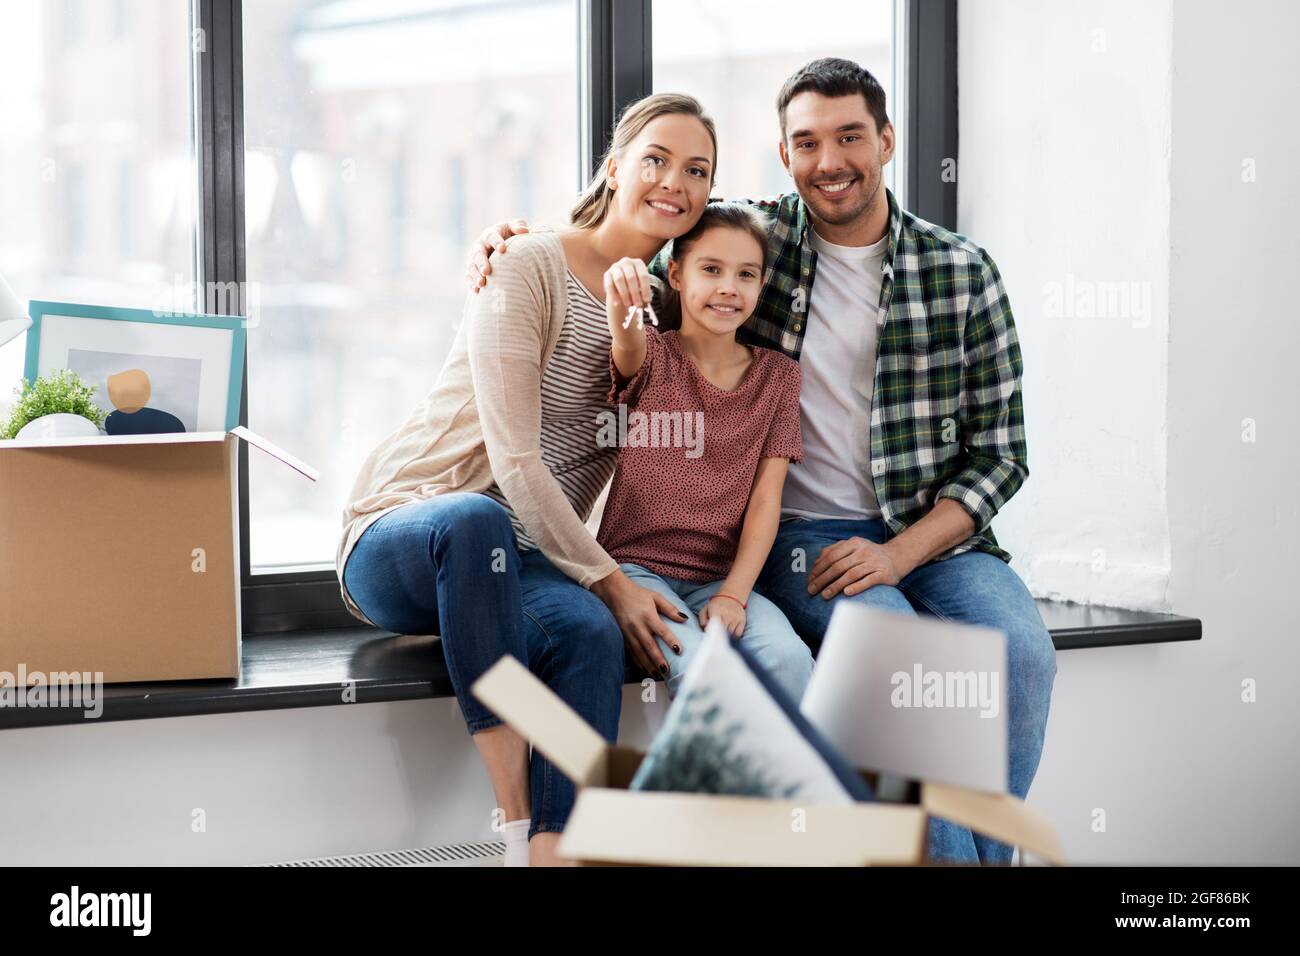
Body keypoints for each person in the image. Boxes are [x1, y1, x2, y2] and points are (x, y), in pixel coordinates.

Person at [467, 58, 1058, 866]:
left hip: (934, 536)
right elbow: (652, 224)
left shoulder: (962, 271)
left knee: (1021, 654)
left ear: (887, 141)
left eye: (851, 137)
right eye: (807, 143)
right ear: (784, 156)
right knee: (902, 671)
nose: (830, 161)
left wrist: (898, 552)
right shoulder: (762, 240)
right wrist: (512, 240)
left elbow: (1000, 455)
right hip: (803, 535)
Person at [337, 93, 718, 866]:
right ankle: (513, 822)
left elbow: (775, 225)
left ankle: (553, 850)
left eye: (697, 171)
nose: (673, 181)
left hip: (524, 559)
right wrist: (612, 580)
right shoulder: (526, 263)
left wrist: (603, 597)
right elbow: (513, 461)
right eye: (655, 159)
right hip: (406, 533)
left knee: (585, 633)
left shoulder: (670, 306)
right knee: (478, 522)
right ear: (614, 169)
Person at [596, 202, 812, 703]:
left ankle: (768, 782)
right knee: (699, 671)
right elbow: (624, 338)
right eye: (711, 269)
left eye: (745, 275)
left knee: (790, 661)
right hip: (636, 568)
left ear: (762, 286)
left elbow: (765, 501)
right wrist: (624, 283)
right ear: (675, 273)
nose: (727, 288)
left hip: (719, 576)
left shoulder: (779, 377)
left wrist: (734, 594)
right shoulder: (652, 355)